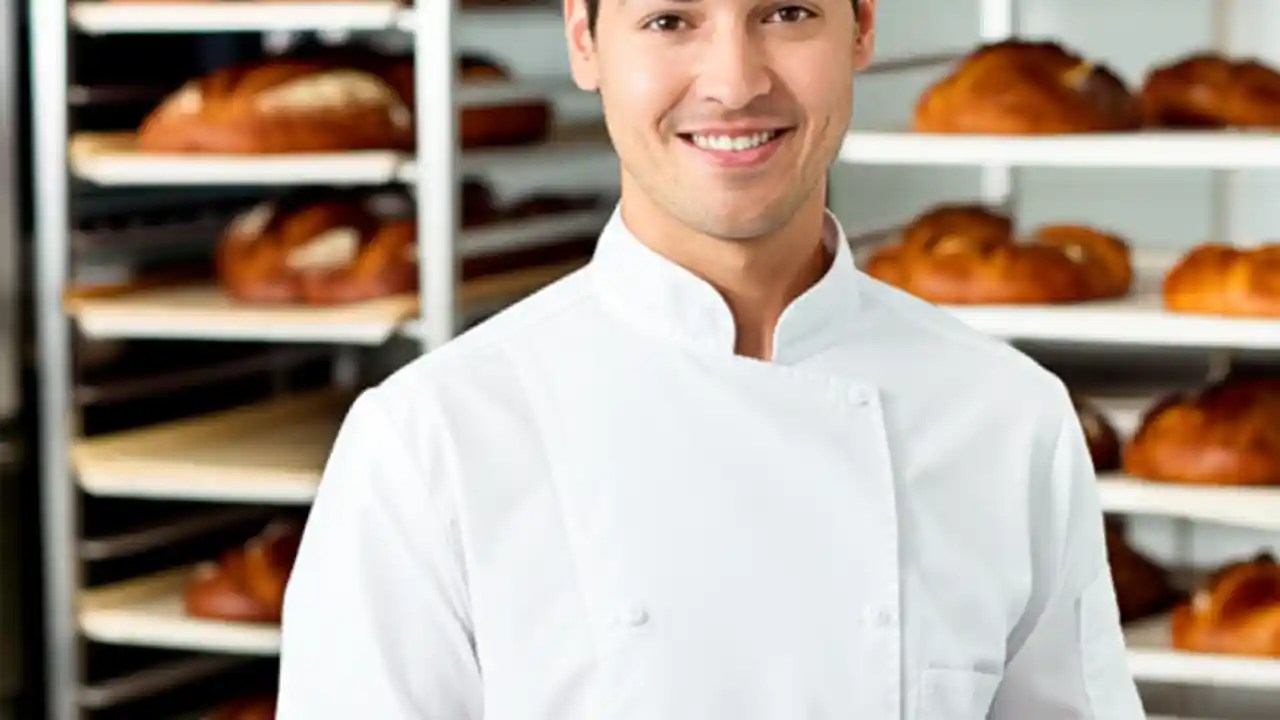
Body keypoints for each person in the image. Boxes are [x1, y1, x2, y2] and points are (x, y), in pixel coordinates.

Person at [277, 0, 1147, 716]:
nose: (735, 82)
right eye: (669, 21)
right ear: (584, 40)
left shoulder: (1007, 416)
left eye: (787, 13)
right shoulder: (430, 443)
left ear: (862, 30)